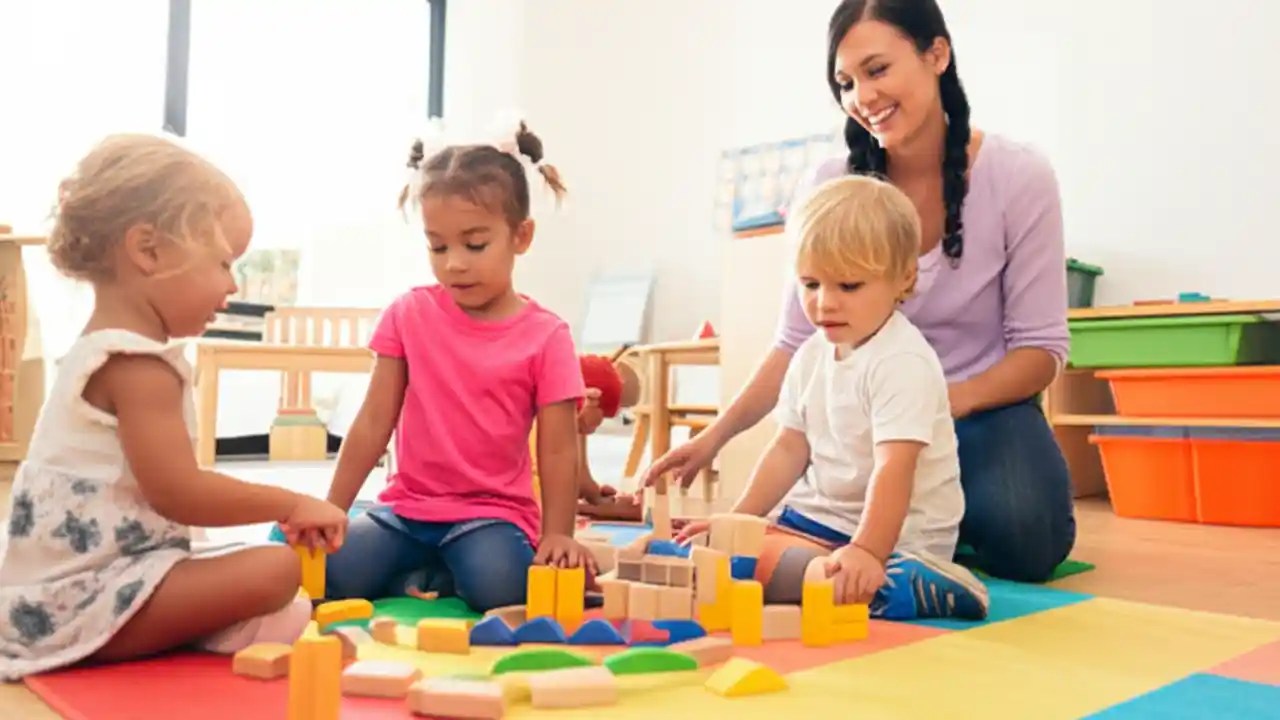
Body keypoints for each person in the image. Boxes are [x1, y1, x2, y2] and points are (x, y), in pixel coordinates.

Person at [650, 0, 1076, 583]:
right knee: (827, 510)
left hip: (981, 408)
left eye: (877, 71)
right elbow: (794, 346)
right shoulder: (831, 184)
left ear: (936, 54)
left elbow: (1040, 351)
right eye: (845, 82)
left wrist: (940, 400)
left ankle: (924, 532)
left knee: (1027, 537)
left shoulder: (1019, 175)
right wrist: (714, 439)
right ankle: (893, 531)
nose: (862, 97)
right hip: (862, 412)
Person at [0, 134, 348, 680]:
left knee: (277, 598)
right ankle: (115, 640)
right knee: (277, 568)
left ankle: (187, 626)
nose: (232, 285)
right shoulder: (137, 367)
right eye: (223, 262)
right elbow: (180, 493)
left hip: (91, 580)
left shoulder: (105, 349)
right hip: (72, 603)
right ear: (149, 251)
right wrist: (291, 502)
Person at [676, 175, 988, 618]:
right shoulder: (811, 353)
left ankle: (904, 581)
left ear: (904, 278)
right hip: (818, 522)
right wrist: (739, 520)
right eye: (810, 284)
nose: (825, 304)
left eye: (849, 286)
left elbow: (894, 469)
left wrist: (867, 550)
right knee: (712, 554)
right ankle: (846, 582)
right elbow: (788, 448)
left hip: (894, 535)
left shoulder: (902, 361)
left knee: (779, 572)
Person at [322, 120, 597, 612]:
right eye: (437, 246)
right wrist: (330, 509)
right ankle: (429, 570)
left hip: (491, 514)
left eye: (474, 245)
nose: (454, 264)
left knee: (505, 590)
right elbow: (372, 423)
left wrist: (558, 533)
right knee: (328, 573)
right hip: (406, 509)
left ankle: (441, 572)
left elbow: (558, 449)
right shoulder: (407, 315)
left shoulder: (547, 336)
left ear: (521, 236)